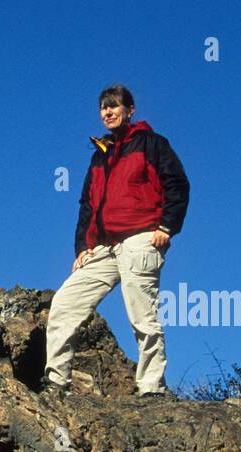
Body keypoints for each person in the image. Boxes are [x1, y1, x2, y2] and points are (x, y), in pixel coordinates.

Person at [43, 85, 190, 398]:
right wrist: (82, 247)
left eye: (114, 106)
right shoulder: (100, 156)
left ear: (130, 110)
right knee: (64, 303)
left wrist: (167, 226)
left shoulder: (151, 143)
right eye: (102, 108)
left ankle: (151, 388)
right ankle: (56, 382)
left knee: (142, 316)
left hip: (140, 238)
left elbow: (177, 183)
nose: (107, 112)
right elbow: (87, 204)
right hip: (104, 247)